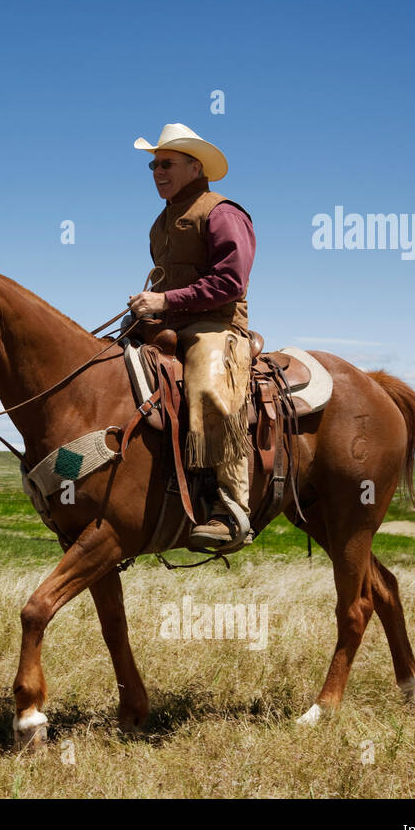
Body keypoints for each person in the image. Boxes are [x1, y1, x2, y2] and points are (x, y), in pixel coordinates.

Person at [127, 123, 255, 549]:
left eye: (166, 164)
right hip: (169, 323)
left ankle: (230, 509)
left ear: (194, 166)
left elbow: (232, 282)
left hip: (215, 325)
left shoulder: (221, 212)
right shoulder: (161, 221)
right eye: (153, 164)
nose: (156, 171)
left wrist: (164, 303)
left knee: (207, 387)